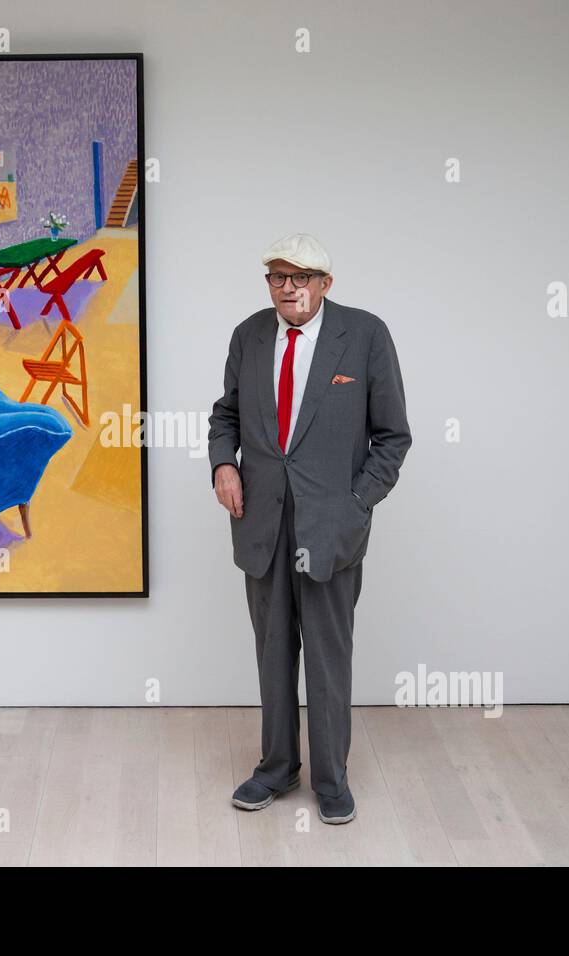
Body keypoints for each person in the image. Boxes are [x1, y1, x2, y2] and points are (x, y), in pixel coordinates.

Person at [207, 233, 412, 824]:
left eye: (301, 277)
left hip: (330, 525)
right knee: (273, 653)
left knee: (327, 656)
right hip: (263, 522)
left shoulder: (366, 334)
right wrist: (225, 463)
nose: (288, 287)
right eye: (277, 276)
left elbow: (393, 436)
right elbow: (226, 412)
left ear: (325, 284)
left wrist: (356, 503)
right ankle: (275, 769)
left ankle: (331, 780)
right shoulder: (249, 335)